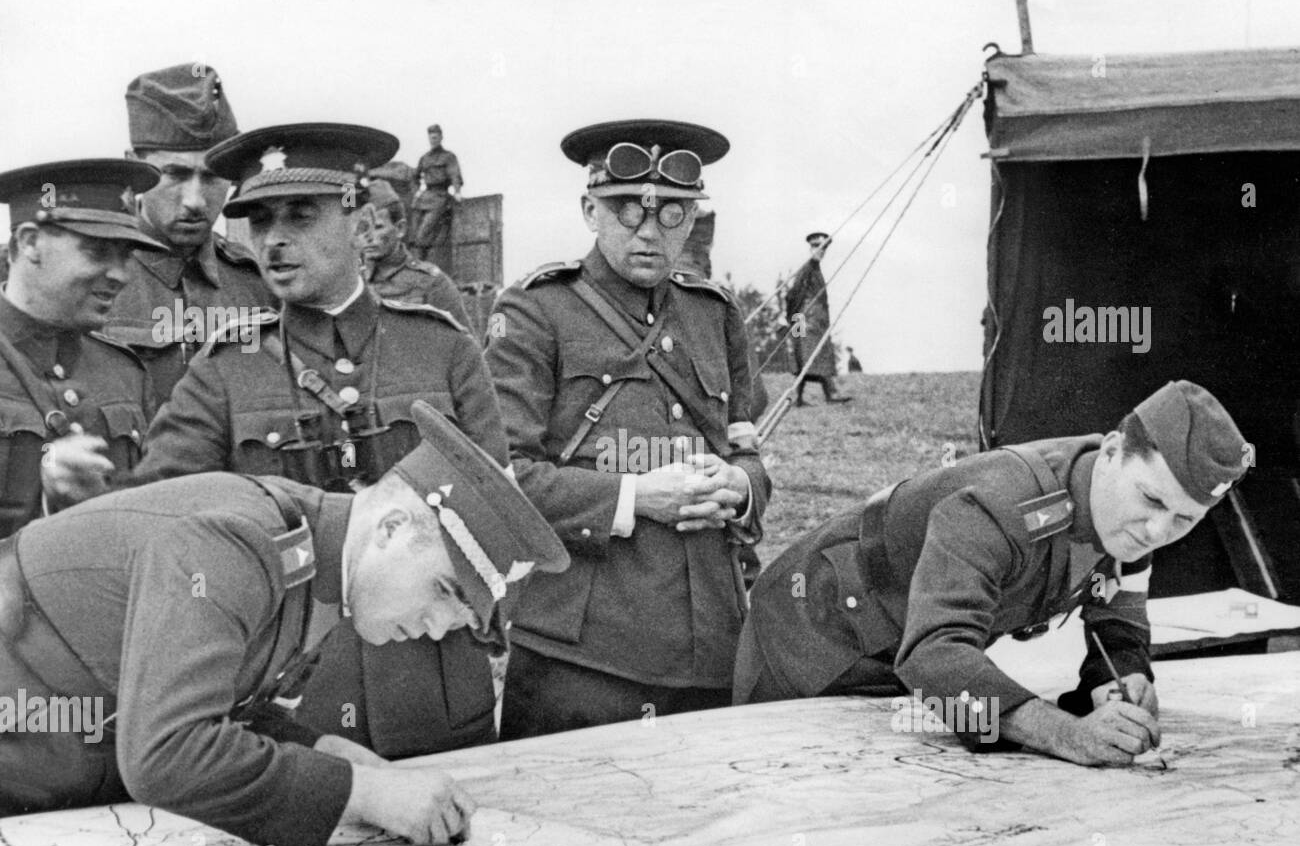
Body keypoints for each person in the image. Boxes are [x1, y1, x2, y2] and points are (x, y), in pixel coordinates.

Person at [0, 401, 568, 846]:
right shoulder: (237, 540)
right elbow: (165, 753)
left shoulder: (313, 559)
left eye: (462, 618)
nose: (439, 626)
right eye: (444, 590)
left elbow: (224, 707)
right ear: (391, 529)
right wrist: (364, 794)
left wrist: (325, 751)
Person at [130, 123, 510, 760]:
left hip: (436, 687)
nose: (274, 240)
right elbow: (161, 520)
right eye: (259, 221)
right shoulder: (227, 366)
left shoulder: (440, 346)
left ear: (357, 221)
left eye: (300, 217)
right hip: (294, 708)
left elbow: (499, 516)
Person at [733, 380, 1251, 767]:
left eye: (1184, 519)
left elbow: (1118, 616)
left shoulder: (1127, 517)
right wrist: (1067, 734)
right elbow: (934, 658)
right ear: (1112, 451)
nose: (1157, 530)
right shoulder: (1004, 504)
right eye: (1152, 500)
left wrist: (1122, 677)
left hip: (898, 651)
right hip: (808, 632)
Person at [486, 118, 771, 738]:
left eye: (671, 212)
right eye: (625, 210)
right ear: (589, 209)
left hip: (709, 646)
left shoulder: (715, 315)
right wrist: (639, 497)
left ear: (692, 218)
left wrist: (739, 486)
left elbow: (750, 453)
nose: (648, 231)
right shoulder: (535, 311)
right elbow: (504, 481)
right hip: (582, 657)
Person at [0, 159, 164, 538]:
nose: (121, 275)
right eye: (97, 252)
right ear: (30, 243)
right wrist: (39, 494)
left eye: (125, 255)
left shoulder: (125, 372)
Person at [102, 63, 274, 410]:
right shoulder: (94, 277)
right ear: (135, 166)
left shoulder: (258, 281)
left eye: (211, 178)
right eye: (175, 174)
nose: (195, 201)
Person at [362, 178, 471, 325]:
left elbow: (464, 344)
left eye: (377, 227)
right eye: (363, 228)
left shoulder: (431, 283)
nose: (367, 237)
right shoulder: (350, 281)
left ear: (400, 229)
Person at [787, 230, 849, 405]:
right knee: (810, 356)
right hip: (806, 320)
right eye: (816, 247)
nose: (820, 252)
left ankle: (806, 397)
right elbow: (793, 295)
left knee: (809, 357)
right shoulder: (807, 269)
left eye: (822, 249)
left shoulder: (815, 269)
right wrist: (795, 319)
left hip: (809, 320)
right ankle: (828, 394)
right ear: (811, 248)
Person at [411, 124, 463, 272]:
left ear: (441, 137)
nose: (433, 139)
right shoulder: (424, 158)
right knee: (414, 234)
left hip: (440, 196)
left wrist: (457, 192)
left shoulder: (449, 157)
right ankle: (418, 264)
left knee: (423, 233)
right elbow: (414, 177)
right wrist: (416, 192)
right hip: (424, 198)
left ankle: (420, 266)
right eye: (431, 137)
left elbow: (454, 175)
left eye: (436, 136)